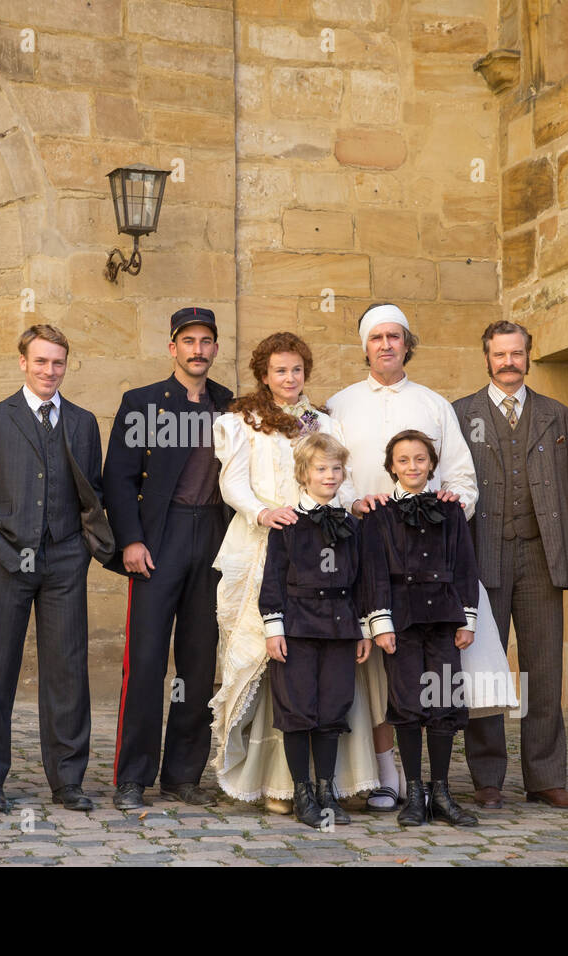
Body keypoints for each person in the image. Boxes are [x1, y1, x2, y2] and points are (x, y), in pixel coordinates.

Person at [209, 331, 379, 810]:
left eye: (297, 370)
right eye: (280, 370)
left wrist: (349, 509)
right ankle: (273, 783)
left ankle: (324, 784)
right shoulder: (242, 420)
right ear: (264, 375)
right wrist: (263, 513)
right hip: (263, 542)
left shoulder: (321, 421)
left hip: (320, 548)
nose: (289, 378)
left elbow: (337, 479)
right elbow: (231, 483)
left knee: (321, 674)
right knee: (267, 659)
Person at [326, 302, 479, 812]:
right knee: (375, 673)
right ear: (365, 346)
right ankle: (385, 774)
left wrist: (452, 506)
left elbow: (459, 472)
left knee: (432, 681)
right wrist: (353, 504)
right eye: (377, 338)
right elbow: (331, 468)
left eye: (395, 336)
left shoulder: (435, 404)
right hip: (367, 551)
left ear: (407, 343)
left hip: (433, 569)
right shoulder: (340, 404)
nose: (386, 345)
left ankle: (433, 784)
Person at [0, 325, 105, 813]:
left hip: (66, 558)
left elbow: (94, 492)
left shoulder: (85, 423)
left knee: (68, 670)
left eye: (58, 363)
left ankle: (68, 780)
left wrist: (86, 546)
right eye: (41, 361)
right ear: (22, 362)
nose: (50, 371)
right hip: (8, 555)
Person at [453, 320, 568, 810]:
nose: (508, 362)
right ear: (486, 357)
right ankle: (487, 779)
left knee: (543, 668)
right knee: (485, 669)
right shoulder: (461, 412)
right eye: (499, 355)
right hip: (482, 553)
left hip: (540, 552)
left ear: (529, 356)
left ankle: (546, 777)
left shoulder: (556, 414)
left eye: (516, 354)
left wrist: (541, 526)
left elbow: (563, 483)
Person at [103, 307, 232, 811]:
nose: (198, 349)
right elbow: (118, 479)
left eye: (206, 341)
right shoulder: (141, 404)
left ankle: (183, 775)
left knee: (198, 663)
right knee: (147, 660)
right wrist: (131, 540)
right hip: (161, 537)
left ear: (215, 349)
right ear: (172, 348)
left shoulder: (232, 405)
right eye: (188, 341)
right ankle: (132, 777)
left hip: (215, 538)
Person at [361, 430, 480, 828]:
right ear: (391, 467)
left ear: (431, 463)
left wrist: (468, 618)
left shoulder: (450, 510)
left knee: (444, 701)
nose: (412, 467)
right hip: (402, 619)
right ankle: (414, 793)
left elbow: (465, 565)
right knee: (409, 703)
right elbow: (373, 572)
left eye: (420, 459)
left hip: (444, 618)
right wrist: (380, 623)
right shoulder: (379, 515)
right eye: (403, 460)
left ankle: (441, 792)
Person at [258, 433, 370, 828]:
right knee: (298, 709)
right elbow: (272, 579)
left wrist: (364, 631)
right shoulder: (286, 524)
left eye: (336, 468)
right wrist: (275, 629)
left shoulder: (353, 526)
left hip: (340, 627)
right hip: (298, 627)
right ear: (304, 474)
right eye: (321, 468)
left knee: (332, 709)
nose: (330, 475)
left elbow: (362, 581)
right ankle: (302, 791)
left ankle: (327, 790)